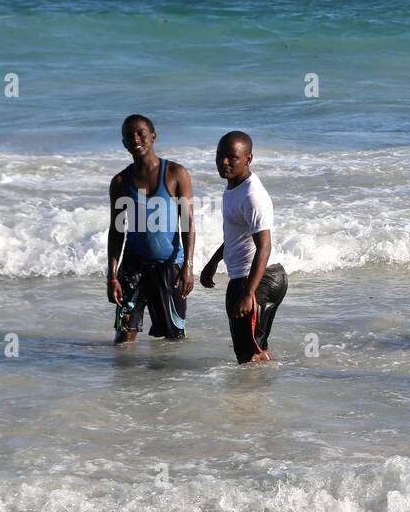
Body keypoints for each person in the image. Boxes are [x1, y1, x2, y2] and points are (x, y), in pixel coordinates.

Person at [199, 131, 288, 363]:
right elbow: (236, 235)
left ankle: (249, 399)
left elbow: (264, 247)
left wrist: (248, 292)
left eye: (232, 157)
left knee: (247, 356)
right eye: (220, 156)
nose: (223, 162)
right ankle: (263, 393)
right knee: (253, 350)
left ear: (248, 159)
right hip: (253, 277)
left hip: (259, 279)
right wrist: (214, 261)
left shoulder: (252, 195)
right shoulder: (233, 187)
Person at [106, 115, 195, 343]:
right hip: (134, 266)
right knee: (124, 338)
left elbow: (188, 223)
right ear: (124, 143)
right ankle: (126, 379)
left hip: (170, 266)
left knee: (173, 339)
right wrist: (112, 276)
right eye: (129, 136)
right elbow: (117, 231)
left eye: (141, 133)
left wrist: (188, 266)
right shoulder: (120, 182)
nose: (135, 139)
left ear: (153, 137)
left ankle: (165, 381)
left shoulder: (176, 173)